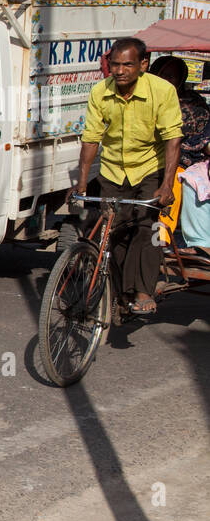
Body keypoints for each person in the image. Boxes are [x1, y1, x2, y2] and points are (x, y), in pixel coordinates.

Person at [75, 38, 183, 315]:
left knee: (146, 229)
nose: (120, 71)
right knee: (115, 230)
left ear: (143, 65)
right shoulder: (101, 92)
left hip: (149, 168)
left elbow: (173, 139)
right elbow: (91, 139)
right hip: (113, 169)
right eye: (115, 65)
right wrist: (82, 183)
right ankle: (121, 292)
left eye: (127, 65)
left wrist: (166, 185)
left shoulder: (162, 91)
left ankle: (144, 289)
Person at [150, 56, 210, 251]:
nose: (167, 81)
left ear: (181, 79)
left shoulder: (194, 104)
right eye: (162, 76)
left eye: (172, 77)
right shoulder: (145, 99)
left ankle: (159, 241)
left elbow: (202, 138)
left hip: (185, 160)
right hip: (148, 159)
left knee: (173, 187)